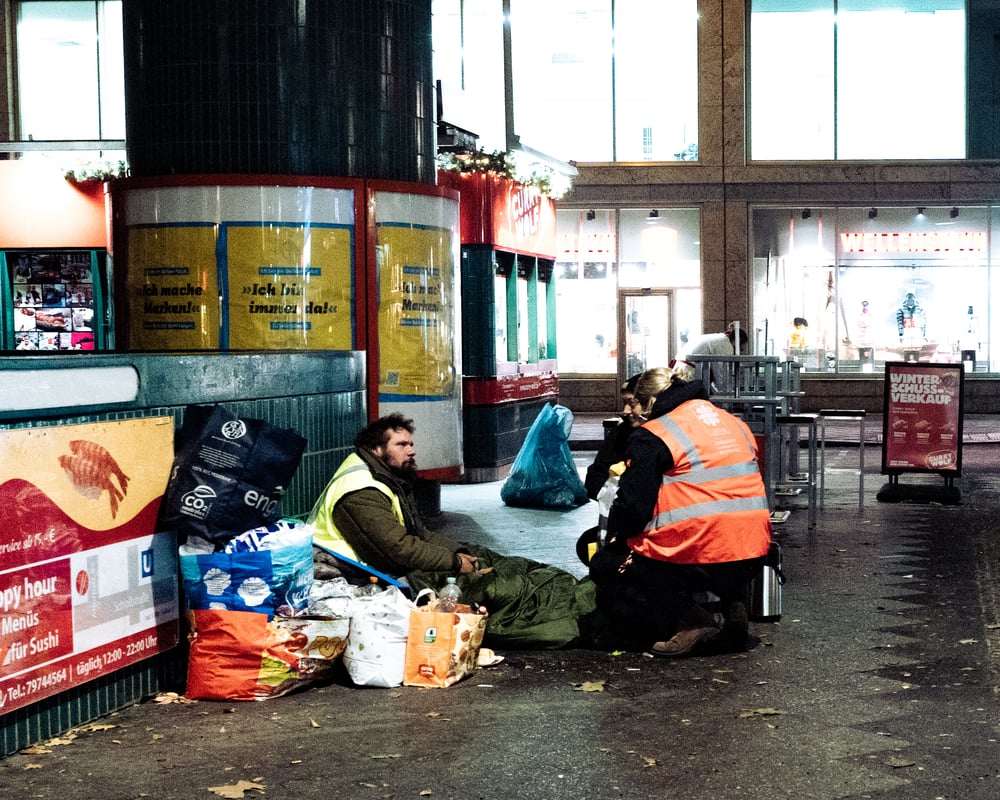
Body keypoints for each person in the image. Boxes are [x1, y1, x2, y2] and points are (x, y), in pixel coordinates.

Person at [307, 413, 597, 648]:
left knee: (490, 559)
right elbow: (398, 550)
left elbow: (417, 533)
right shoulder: (360, 491)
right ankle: (578, 611)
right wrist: (454, 563)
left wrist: (459, 551)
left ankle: (573, 592)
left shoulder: (385, 476)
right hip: (377, 578)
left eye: (410, 443)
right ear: (376, 449)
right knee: (499, 588)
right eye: (401, 445)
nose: (412, 450)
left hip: (395, 567)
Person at [588, 366, 771, 657]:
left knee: (606, 564)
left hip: (700, 552)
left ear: (650, 402)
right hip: (752, 551)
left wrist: (615, 535)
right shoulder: (732, 423)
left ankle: (691, 621)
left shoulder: (655, 433)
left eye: (636, 403)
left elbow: (634, 509)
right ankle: (735, 607)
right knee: (719, 537)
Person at [583, 373, 643, 501]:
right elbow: (595, 477)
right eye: (624, 403)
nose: (626, 411)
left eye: (632, 404)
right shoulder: (621, 433)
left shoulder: (664, 435)